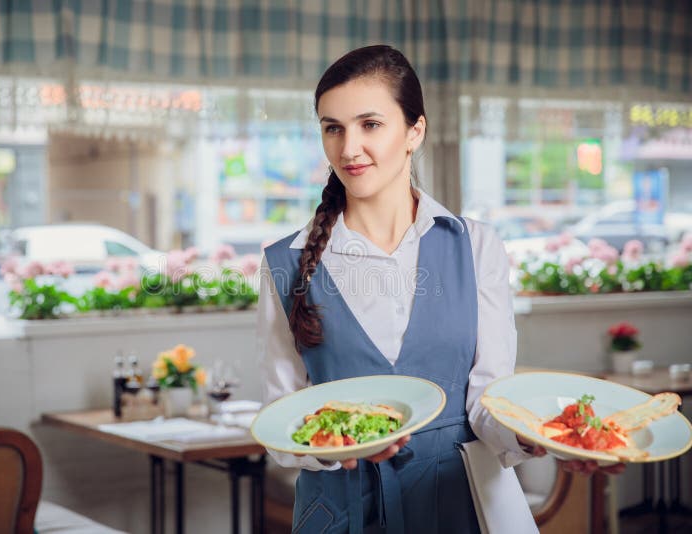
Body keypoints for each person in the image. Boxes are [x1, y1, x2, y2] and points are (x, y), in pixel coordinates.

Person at [257, 45, 621, 534]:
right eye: (332, 127)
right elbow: (280, 424)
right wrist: (333, 448)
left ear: (415, 131)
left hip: (457, 507)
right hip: (339, 516)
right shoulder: (284, 262)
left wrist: (540, 438)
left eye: (370, 124)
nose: (348, 148)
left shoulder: (477, 247)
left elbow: (486, 401)